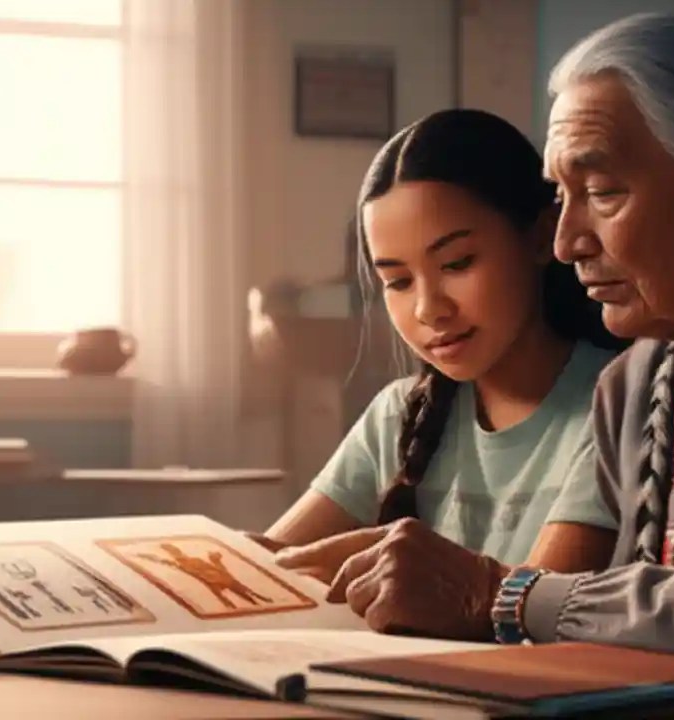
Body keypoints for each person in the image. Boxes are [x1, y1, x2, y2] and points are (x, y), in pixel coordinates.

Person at [275, 11, 674, 702]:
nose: (565, 242)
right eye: (562, 196)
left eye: (602, 192)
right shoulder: (637, 384)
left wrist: (499, 594)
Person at [254, 109, 627, 582]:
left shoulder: (617, 404)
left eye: (457, 263)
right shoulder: (398, 415)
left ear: (540, 236)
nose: (428, 309)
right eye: (398, 281)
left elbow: (530, 611)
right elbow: (264, 571)